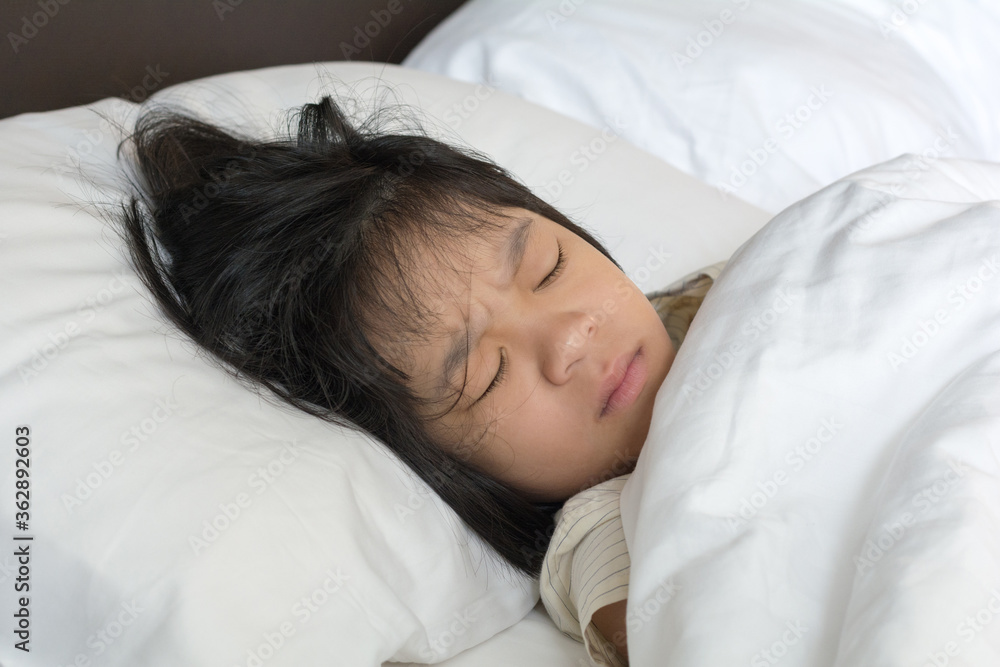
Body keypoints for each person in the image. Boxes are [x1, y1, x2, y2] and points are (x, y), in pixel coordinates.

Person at [114, 93, 723, 666]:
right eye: (488, 375)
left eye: (548, 268)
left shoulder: (725, 291)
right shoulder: (609, 530)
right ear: (452, 470)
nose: (569, 339)